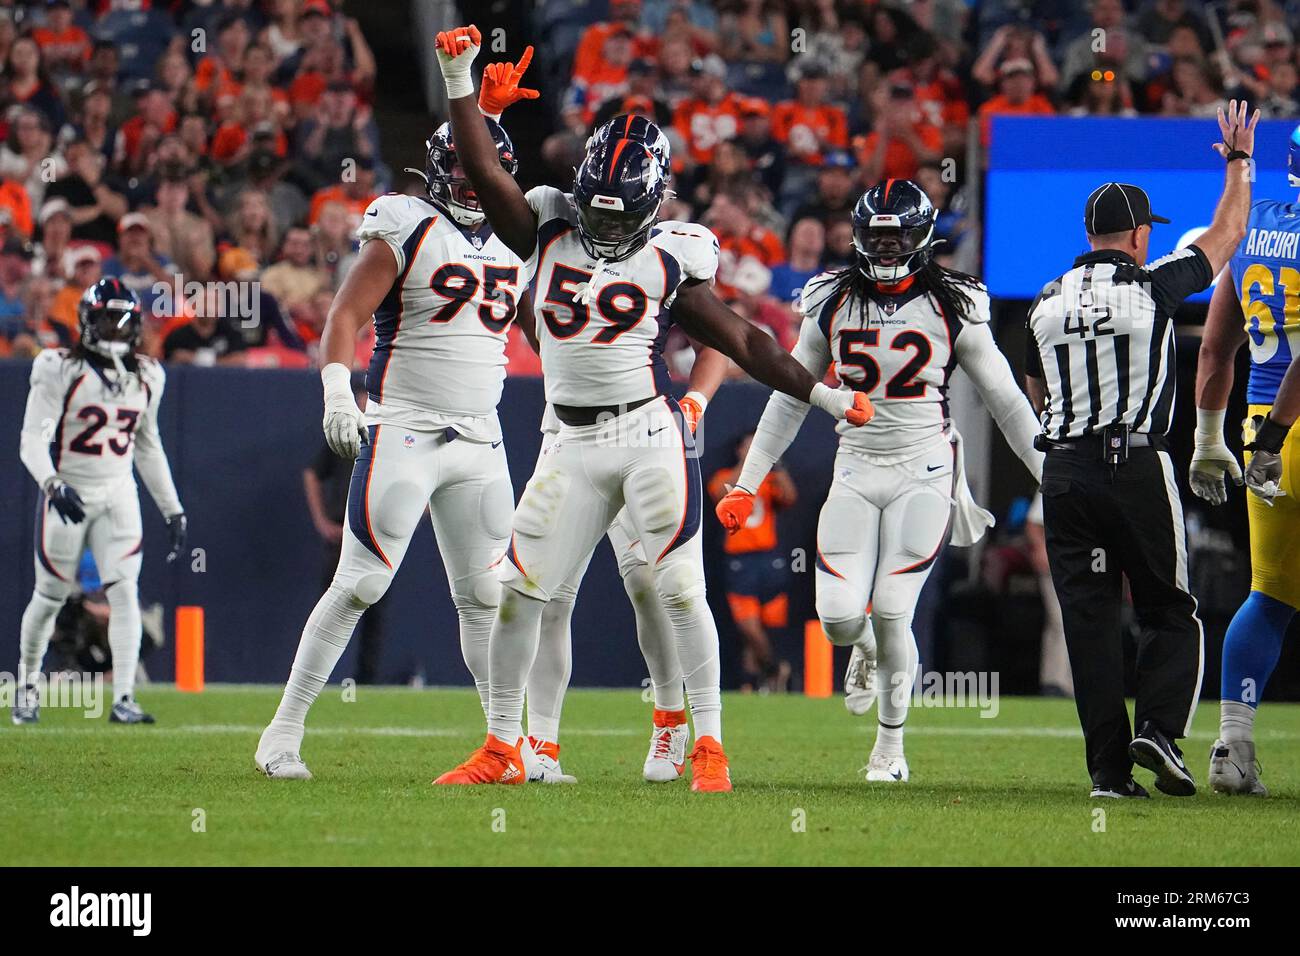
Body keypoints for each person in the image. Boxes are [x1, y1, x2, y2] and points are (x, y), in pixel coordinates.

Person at [430, 27, 872, 793]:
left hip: (645, 433)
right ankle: (505, 747)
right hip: (567, 441)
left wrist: (828, 394)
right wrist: (458, 78)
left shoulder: (673, 253)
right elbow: (480, 170)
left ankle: (706, 744)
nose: (602, 232)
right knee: (520, 595)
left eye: (617, 218)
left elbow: (746, 339)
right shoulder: (545, 221)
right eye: (595, 215)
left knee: (673, 589)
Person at [717, 179, 1043, 782]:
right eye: (878, 239)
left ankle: (889, 749)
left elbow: (1004, 401)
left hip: (925, 465)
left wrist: (1050, 476)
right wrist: (746, 481)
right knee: (840, 617)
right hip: (857, 466)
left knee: (895, 609)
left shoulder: (954, 303)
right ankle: (862, 650)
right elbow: (789, 399)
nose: (889, 252)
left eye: (900, 240)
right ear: (860, 238)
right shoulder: (832, 300)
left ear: (921, 240)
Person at [252, 115, 534, 781]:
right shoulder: (406, 221)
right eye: (461, 166)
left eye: (482, 167)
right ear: (439, 167)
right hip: (405, 424)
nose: (470, 181)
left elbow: (537, 325)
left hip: (480, 435)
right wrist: (336, 391)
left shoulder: (518, 241)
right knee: (362, 582)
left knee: (486, 599)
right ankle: (281, 732)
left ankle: (507, 745)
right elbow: (345, 315)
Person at [1024, 102, 1258, 799]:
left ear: (1086, 234)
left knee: (1089, 623)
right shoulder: (1154, 287)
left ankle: (1106, 775)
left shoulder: (1043, 299)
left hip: (1063, 468)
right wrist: (1239, 163)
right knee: (1167, 606)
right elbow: (1229, 232)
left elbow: (1036, 384)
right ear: (1136, 236)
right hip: (1135, 462)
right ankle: (1158, 729)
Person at [13, 278, 187, 726]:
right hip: (70, 489)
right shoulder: (59, 367)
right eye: (107, 317)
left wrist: (172, 507)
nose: (115, 327)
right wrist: (52, 484)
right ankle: (27, 689)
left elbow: (148, 447)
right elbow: (33, 438)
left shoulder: (147, 375)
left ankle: (124, 697)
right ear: (87, 320)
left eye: (123, 318)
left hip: (117, 493)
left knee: (126, 593)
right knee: (50, 595)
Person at [1189, 123, 1300, 797]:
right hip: (1285, 421)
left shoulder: (1258, 224)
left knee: (1271, 597)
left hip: (1261, 422)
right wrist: (1277, 431)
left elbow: (1214, 348)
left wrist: (1210, 438)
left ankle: (1232, 745)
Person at [303, 382, 386, 685]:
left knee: (374, 609)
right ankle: (313, 677)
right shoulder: (347, 432)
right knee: (334, 604)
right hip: (343, 533)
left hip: (378, 537)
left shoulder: (389, 438)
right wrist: (322, 522)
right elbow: (312, 472)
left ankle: (366, 682)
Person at [708, 431, 796, 692]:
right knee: (748, 626)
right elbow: (720, 495)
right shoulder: (724, 476)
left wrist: (776, 465)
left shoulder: (770, 478)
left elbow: (790, 498)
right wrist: (749, 463)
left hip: (769, 558)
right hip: (739, 560)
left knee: (770, 625)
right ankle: (775, 668)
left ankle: (755, 681)